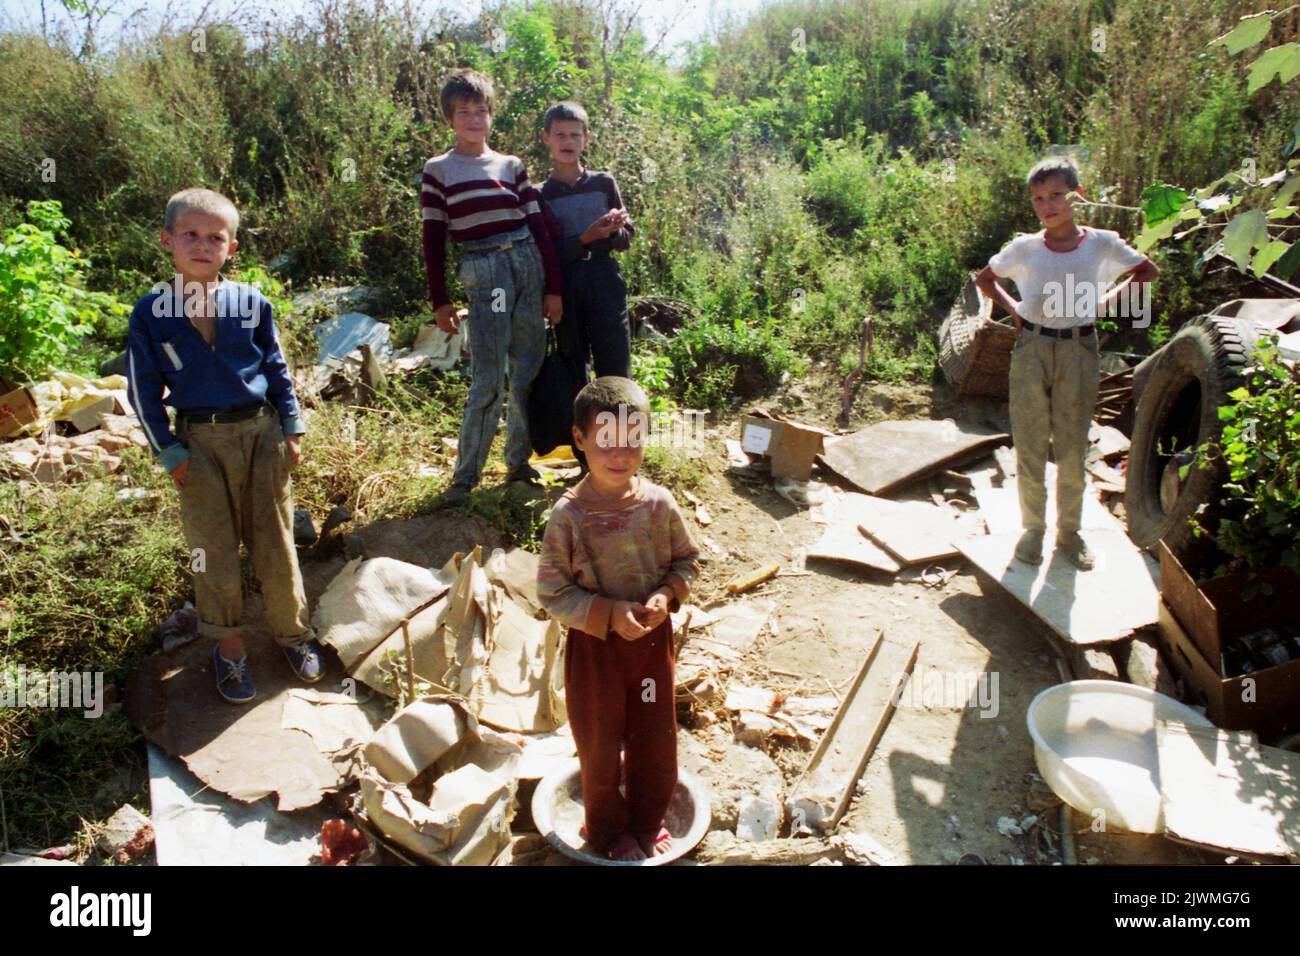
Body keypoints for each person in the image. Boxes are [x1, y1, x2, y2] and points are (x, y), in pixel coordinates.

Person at [126, 187, 324, 703]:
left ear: (231, 248)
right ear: (167, 240)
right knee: (211, 550)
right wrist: (171, 452)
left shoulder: (251, 302)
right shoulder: (151, 312)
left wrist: (292, 426)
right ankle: (230, 649)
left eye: (215, 237)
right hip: (200, 443)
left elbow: (276, 367)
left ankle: (293, 635)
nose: (202, 245)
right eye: (189, 234)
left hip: (261, 434)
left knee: (276, 541)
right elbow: (142, 389)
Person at [537, 377, 699, 861]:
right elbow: (552, 592)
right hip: (596, 654)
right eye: (606, 440)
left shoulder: (658, 504)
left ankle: (648, 819)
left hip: (649, 651)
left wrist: (666, 595)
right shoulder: (568, 517)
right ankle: (606, 830)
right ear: (579, 438)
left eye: (633, 440)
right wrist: (607, 613)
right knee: (599, 744)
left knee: (655, 737)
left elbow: (687, 561)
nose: (620, 454)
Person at [976, 157, 1158, 570]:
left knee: (1073, 446)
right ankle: (1033, 531)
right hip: (1032, 349)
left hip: (1078, 349)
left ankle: (1069, 534)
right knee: (1030, 443)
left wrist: (1102, 304)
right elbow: (985, 279)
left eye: (1057, 194)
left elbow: (1147, 271)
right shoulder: (1025, 248)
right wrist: (1015, 311)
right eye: (1039, 198)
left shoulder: (1101, 244)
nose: (1048, 205)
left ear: (1077, 196)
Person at [421, 68, 564, 507]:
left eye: (481, 110)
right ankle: (464, 479)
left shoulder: (511, 166)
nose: (473, 119)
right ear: (450, 118)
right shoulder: (438, 170)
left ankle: (518, 464)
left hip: (525, 264)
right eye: (464, 112)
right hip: (487, 274)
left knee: (526, 369)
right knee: (487, 376)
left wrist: (553, 288)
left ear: (491, 114)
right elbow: (432, 238)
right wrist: (440, 299)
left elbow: (539, 228)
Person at [539, 100, 635, 379]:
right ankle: (577, 410)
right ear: (546, 138)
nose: (567, 141)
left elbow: (626, 240)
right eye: (560, 134)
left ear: (586, 138)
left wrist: (614, 229)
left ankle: (617, 409)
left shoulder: (603, 183)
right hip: (565, 284)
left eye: (575, 135)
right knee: (572, 364)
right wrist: (584, 238)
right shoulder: (539, 194)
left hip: (604, 277)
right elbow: (545, 253)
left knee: (615, 361)